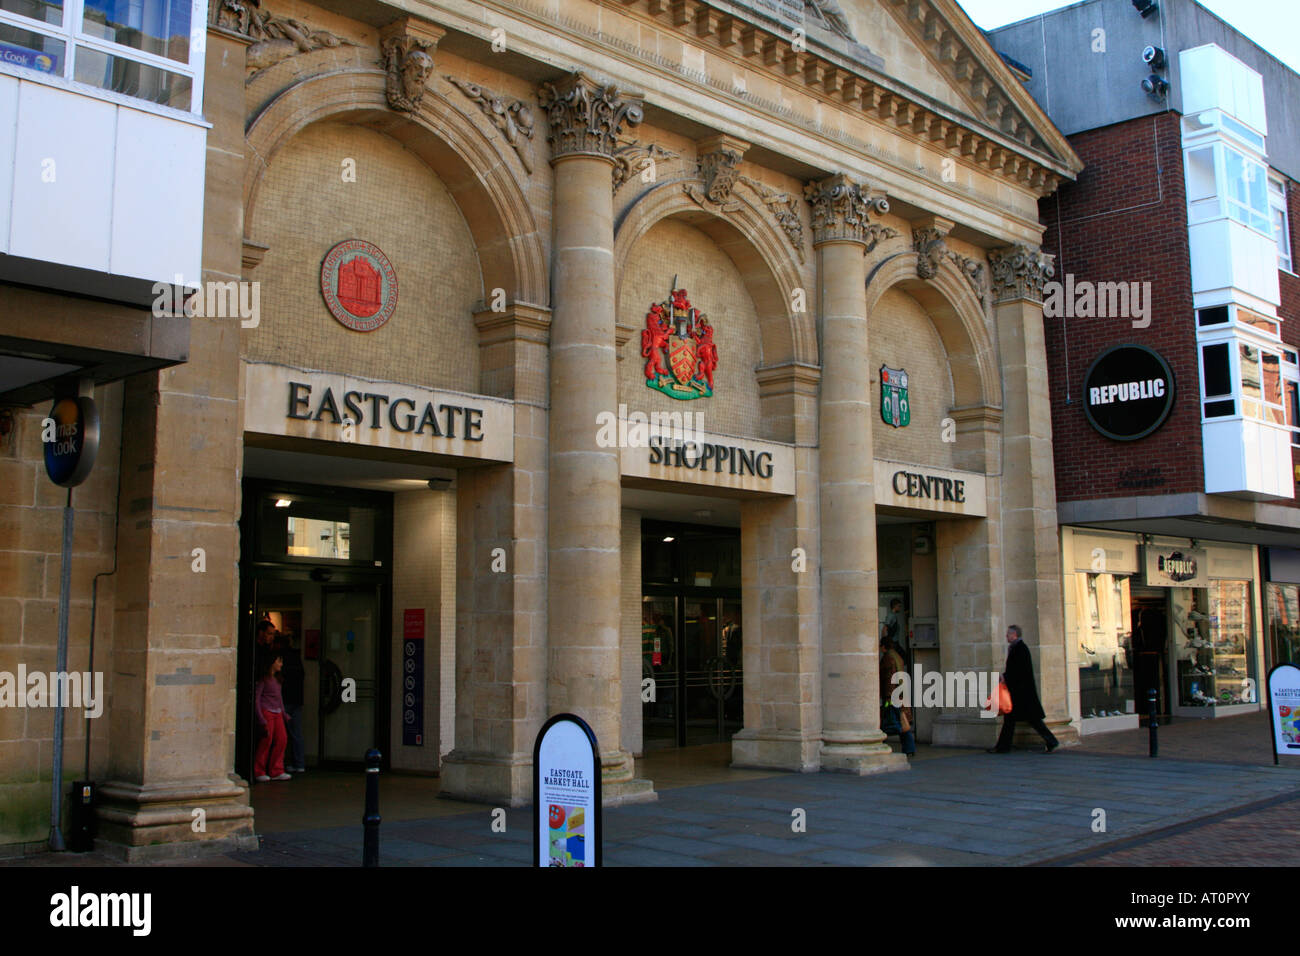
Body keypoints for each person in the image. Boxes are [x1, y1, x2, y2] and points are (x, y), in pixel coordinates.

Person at [988, 624, 1060, 754]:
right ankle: (1003, 747)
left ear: (1014, 635)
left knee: (1025, 720)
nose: (1006, 636)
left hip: (1021, 693)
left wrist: (1006, 677)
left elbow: (1019, 671)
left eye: (1008, 633)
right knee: (1019, 720)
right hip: (1020, 692)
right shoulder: (1017, 648)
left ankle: (1003, 747)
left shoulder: (1020, 649)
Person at [253, 652, 292, 781]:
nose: (281, 664)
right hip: (267, 711)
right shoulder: (264, 679)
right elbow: (257, 699)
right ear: (272, 662)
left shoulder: (277, 680)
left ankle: (276, 769)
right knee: (266, 741)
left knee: (282, 739)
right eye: (279, 661)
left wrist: (284, 713)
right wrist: (260, 717)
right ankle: (259, 771)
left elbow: (279, 698)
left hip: (277, 712)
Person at [879, 632, 916, 756]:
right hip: (901, 693)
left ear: (884, 646)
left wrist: (888, 697)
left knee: (891, 720)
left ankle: (877, 743)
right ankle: (909, 748)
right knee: (902, 721)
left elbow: (889, 678)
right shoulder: (897, 656)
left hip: (893, 696)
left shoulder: (888, 658)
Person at [274, 632, 306, 773]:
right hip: (296, 698)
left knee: (280, 735)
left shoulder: (280, 657)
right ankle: (299, 763)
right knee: (296, 733)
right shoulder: (296, 657)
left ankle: (277, 765)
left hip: (284, 699)